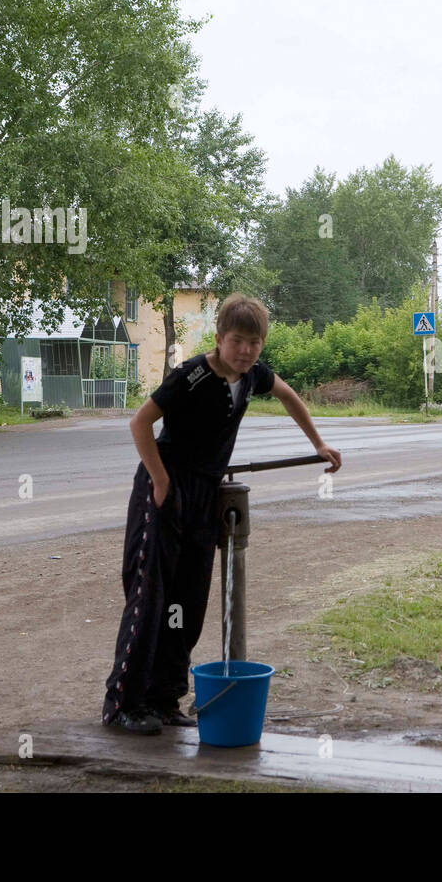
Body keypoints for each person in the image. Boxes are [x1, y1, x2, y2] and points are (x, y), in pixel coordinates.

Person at [102, 294, 342, 734]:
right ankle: (123, 704)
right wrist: (159, 481)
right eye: (238, 341)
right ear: (219, 339)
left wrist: (318, 444)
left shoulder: (253, 378)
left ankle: (164, 699)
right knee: (151, 597)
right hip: (165, 489)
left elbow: (289, 396)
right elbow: (140, 423)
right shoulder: (190, 375)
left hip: (205, 493)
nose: (247, 350)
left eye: (255, 342)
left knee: (187, 600)